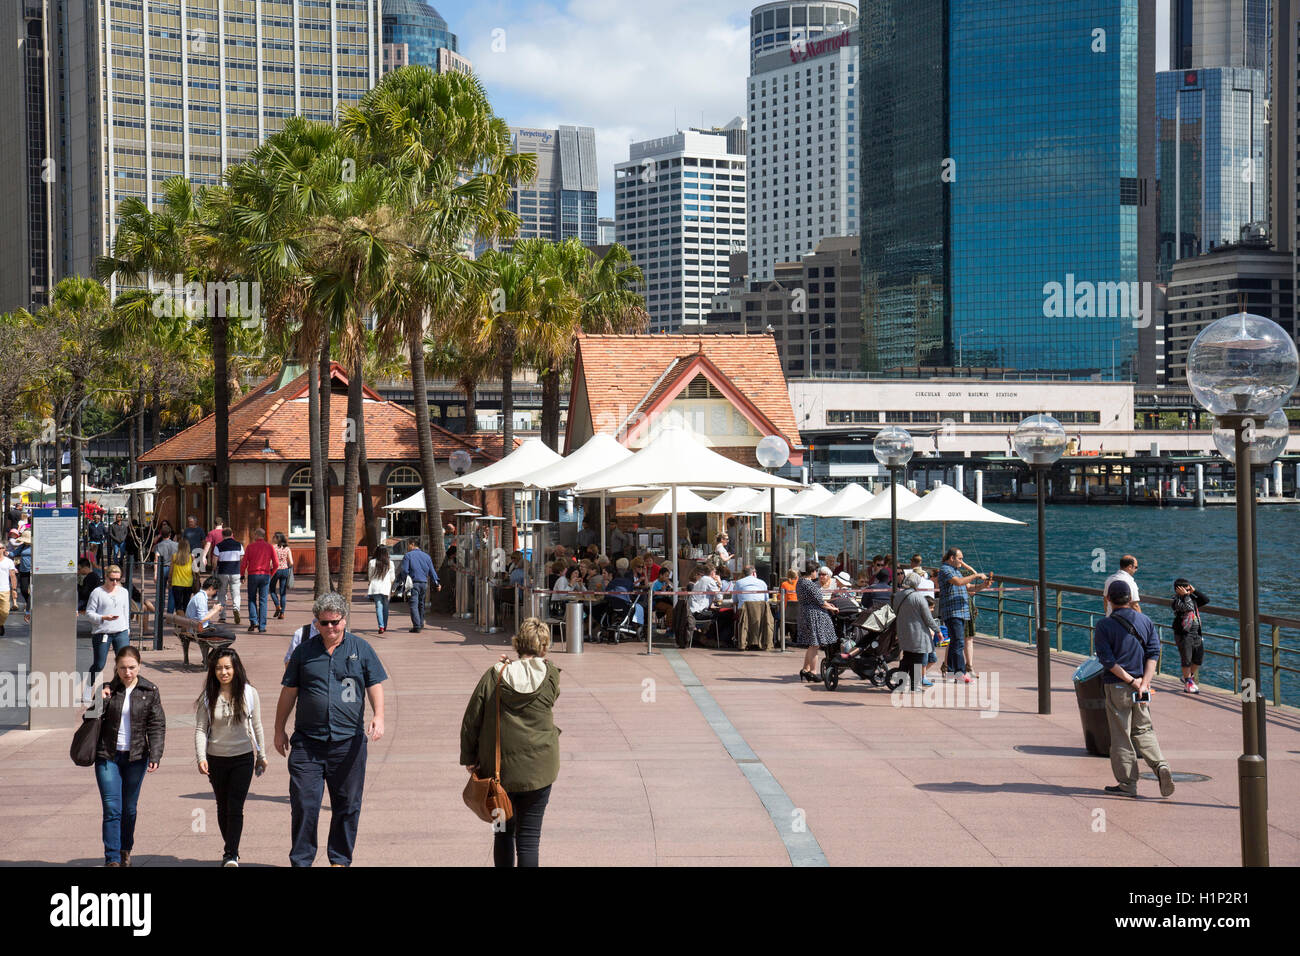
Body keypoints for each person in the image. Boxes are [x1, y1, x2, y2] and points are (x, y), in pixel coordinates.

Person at [275, 591, 387, 867]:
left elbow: (374, 684)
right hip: (307, 744)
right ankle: (301, 861)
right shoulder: (304, 652)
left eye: (335, 622)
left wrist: (379, 715)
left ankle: (339, 860)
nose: (330, 628)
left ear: (344, 620)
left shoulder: (361, 649)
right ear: (316, 623)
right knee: (304, 804)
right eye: (324, 623)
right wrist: (279, 729)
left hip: (348, 743)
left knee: (347, 806)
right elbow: (289, 693)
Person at [459, 617, 560, 868]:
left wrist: (470, 759)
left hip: (498, 772)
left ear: (517, 643)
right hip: (540, 770)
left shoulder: (495, 674)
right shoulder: (551, 675)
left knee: (503, 833)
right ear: (544, 646)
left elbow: (472, 719)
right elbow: (548, 690)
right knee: (529, 839)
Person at [1093, 579, 1174, 798]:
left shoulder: (1104, 625)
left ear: (1109, 599)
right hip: (1142, 687)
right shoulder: (1145, 621)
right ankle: (1161, 766)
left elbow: (1107, 660)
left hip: (1119, 686)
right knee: (1144, 730)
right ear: (1130, 599)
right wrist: (1144, 683)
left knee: (1121, 735)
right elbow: (1153, 653)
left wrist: (1131, 681)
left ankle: (1128, 784)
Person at [90, 645, 165, 866]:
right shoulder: (107, 689)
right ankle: (112, 858)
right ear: (116, 668)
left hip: (137, 756)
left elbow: (157, 724)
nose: (128, 672)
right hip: (107, 755)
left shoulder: (149, 690)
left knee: (129, 810)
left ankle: (125, 849)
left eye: (132, 667)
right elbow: (89, 720)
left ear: (139, 666)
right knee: (112, 808)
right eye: (123, 668)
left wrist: (156, 754)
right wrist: (99, 701)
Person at [195, 648, 267, 866]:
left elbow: (257, 725)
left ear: (236, 668)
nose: (223, 672)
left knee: (235, 806)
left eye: (227, 667)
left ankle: (230, 854)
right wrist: (200, 757)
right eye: (218, 668)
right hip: (216, 758)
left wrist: (262, 754)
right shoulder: (207, 696)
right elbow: (200, 728)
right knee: (222, 805)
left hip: (242, 757)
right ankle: (231, 846)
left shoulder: (248, 693)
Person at [936, 548, 986, 682]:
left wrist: (983, 585)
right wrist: (975, 575)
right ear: (951, 558)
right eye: (960, 558)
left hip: (961, 611)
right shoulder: (945, 570)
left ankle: (951, 671)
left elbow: (969, 588)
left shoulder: (956, 570)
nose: (962, 562)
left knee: (955, 642)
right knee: (958, 642)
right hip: (953, 611)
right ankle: (960, 672)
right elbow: (958, 582)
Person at [83, 564, 131, 699]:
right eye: (112, 579)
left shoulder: (124, 592)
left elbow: (125, 611)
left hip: (120, 631)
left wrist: (127, 629)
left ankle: (120, 689)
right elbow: (88, 613)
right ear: (106, 577)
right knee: (99, 664)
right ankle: (88, 687)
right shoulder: (97, 592)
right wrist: (102, 617)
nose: (115, 582)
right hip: (102, 632)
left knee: (123, 662)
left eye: (118, 579)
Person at [892, 573, 943, 689]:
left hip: (903, 631)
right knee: (917, 660)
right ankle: (915, 686)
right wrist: (937, 630)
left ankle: (900, 684)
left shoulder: (898, 596)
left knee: (906, 659)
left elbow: (895, 612)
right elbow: (928, 618)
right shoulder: (919, 597)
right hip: (917, 633)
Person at [795, 566, 838, 681]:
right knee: (815, 645)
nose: (817, 574)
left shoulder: (800, 582)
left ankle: (805, 669)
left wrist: (828, 606)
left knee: (811, 644)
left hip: (805, 613)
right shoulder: (809, 584)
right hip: (814, 615)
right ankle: (813, 672)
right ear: (811, 572)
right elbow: (820, 601)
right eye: (816, 572)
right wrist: (832, 608)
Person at [1171, 578, 1210, 694]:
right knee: (1186, 658)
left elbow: (1205, 600)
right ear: (1179, 589)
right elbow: (1187, 607)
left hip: (1197, 632)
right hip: (1184, 633)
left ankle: (1187, 677)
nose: (1188, 591)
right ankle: (1188, 683)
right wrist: (1185, 596)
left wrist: (1195, 591)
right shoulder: (1176, 600)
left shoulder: (1192, 598)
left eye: (1189, 588)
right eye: (1186, 589)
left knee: (1198, 658)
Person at [397, 538, 439, 632]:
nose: (408, 547)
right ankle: (420, 622)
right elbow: (432, 570)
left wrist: (403, 580)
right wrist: (436, 582)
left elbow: (404, 570)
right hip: (424, 583)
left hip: (413, 583)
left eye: (408, 545)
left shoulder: (408, 555)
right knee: (421, 603)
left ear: (412, 544)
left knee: (413, 604)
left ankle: (417, 626)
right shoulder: (426, 556)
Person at [241, 528, 277, 634]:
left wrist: (242, 575)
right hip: (265, 575)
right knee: (263, 600)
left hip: (253, 575)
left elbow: (244, 563)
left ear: (256, 535)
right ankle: (262, 626)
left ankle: (253, 621)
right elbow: (276, 564)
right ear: (264, 535)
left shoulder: (250, 547)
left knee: (251, 598)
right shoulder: (269, 547)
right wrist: (271, 574)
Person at [732, 564, 773, 651]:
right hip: (761, 611)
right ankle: (762, 642)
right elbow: (766, 599)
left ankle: (744, 642)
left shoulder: (738, 583)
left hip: (744, 611)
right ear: (754, 573)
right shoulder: (762, 583)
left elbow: (735, 600)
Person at [187, 576, 238, 641]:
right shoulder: (201, 598)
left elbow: (201, 616)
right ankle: (217, 651)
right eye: (215, 591)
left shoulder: (200, 595)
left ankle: (217, 651)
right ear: (211, 588)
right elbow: (201, 619)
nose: (215, 593)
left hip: (198, 628)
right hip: (200, 631)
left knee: (224, 631)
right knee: (231, 636)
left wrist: (212, 610)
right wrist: (215, 610)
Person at [214, 527, 244, 625]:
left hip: (223, 572)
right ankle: (236, 608)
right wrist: (243, 573)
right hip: (235, 572)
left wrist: (214, 569)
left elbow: (214, 561)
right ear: (232, 534)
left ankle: (222, 616)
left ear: (223, 535)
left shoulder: (218, 546)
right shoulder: (239, 545)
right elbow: (242, 559)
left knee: (222, 594)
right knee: (236, 592)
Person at [367, 545, 395, 634]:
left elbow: (370, 576)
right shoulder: (390, 563)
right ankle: (385, 625)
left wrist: (370, 582)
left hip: (375, 587)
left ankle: (381, 626)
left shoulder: (372, 562)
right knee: (386, 607)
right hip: (386, 587)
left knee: (378, 607)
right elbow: (392, 577)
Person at [152, 526, 178, 614]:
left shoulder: (158, 546)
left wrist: (155, 573)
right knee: (172, 592)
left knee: (160, 592)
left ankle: (160, 611)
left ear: (161, 535)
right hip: (173, 568)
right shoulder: (176, 545)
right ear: (170, 534)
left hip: (162, 568)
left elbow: (156, 559)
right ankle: (170, 613)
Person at [170, 537, 196, 619]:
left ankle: (181, 622)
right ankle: (184, 622)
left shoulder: (174, 556)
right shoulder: (191, 557)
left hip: (176, 583)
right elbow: (196, 570)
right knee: (186, 604)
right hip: (188, 583)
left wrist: (169, 581)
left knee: (178, 605)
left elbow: (171, 571)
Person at [270, 532, 294, 620]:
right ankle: (282, 613)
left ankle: (277, 606)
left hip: (275, 570)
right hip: (285, 570)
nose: (273, 538)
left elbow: (271, 561)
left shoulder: (273, 547)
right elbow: (291, 562)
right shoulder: (287, 548)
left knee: (272, 589)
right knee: (283, 592)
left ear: (277, 538)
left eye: (274, 537)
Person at [0, 535, 19, 634]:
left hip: (4, 590)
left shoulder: (9, 562)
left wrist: (14, 590)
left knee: (5, 611)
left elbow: (12, 576)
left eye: (0, 548)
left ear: (4, 549)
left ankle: (1, 623)